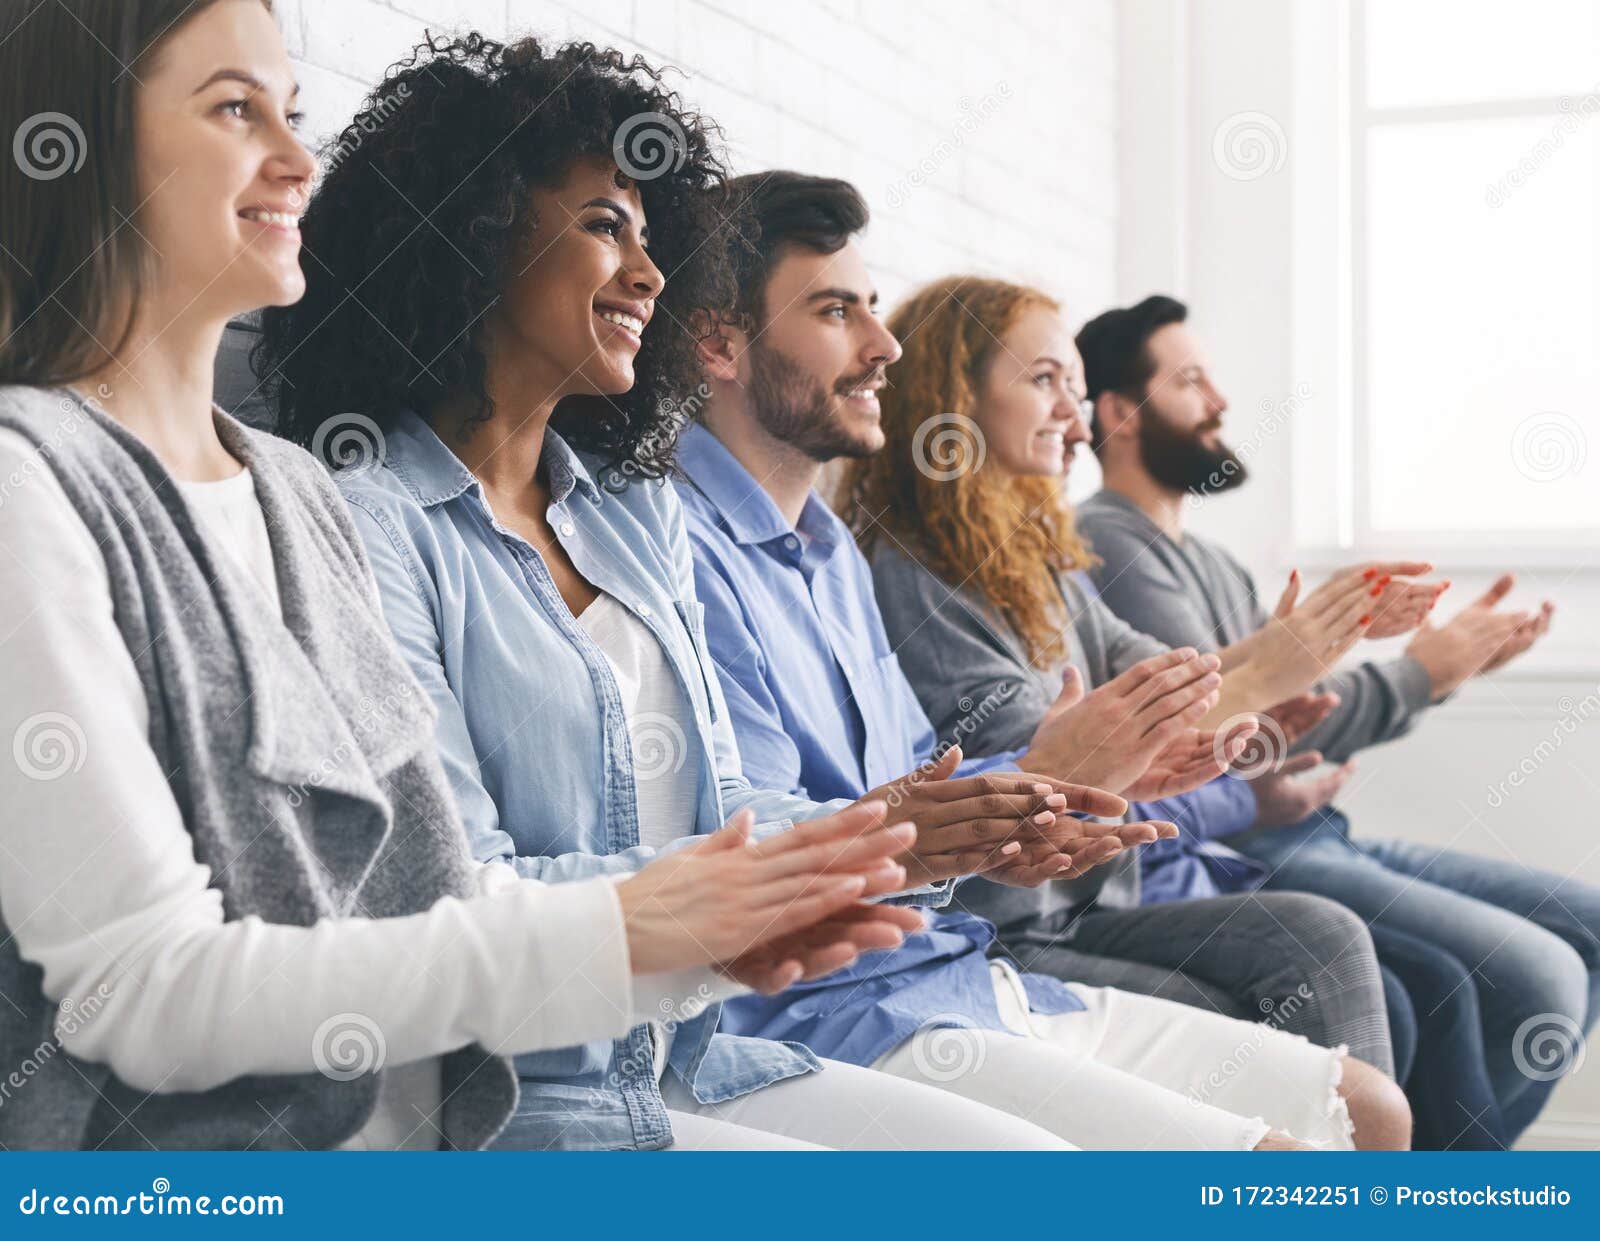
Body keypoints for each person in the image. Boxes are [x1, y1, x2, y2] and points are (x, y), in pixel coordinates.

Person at [0, 0, 928, 1152]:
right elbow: (138, 994)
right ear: (77, 139)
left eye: (291, 113)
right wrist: (642, 923)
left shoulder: (290, 493)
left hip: (469, 1116)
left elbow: (418, 898)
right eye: (236, 111)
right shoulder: (30, 486)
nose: (297, 160)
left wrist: (717, 929)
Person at [248, 30, 1171, 1152]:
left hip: (698, 1051)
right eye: (603, 226)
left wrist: (916, 838)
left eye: (650, 237)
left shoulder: (634, 516)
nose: (647, 274)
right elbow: (453, 888)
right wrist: (826, 855)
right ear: (472, 232)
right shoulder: (366, 517)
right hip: (518, 1101)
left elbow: (729, 810)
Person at [672, 172, 1411, 1150]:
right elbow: (773, 850)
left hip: (957, 961)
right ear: (720, 343)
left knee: (1373, 1108)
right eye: (834, 310)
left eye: (875, 312)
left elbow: (939, 782)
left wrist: (1081, 776)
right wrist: (1052, 777)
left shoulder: (838, 554)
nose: (879, 344)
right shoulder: (706, 556)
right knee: (1282, 1119)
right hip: (847, 1007)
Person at [1074, 293, 1598, 1144]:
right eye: (1192, 380)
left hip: (1316, 826)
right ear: (1119, 413)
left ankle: (1443, 1174)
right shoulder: (1109, 544)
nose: (1221, 402)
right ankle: (1450, 1182)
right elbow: (1235, 730)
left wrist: (1444, 669)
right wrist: (1423, 674)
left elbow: (1283, 714)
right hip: (1251, 847)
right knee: (1535, 977)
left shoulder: (1206, 558)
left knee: (1584, 925)